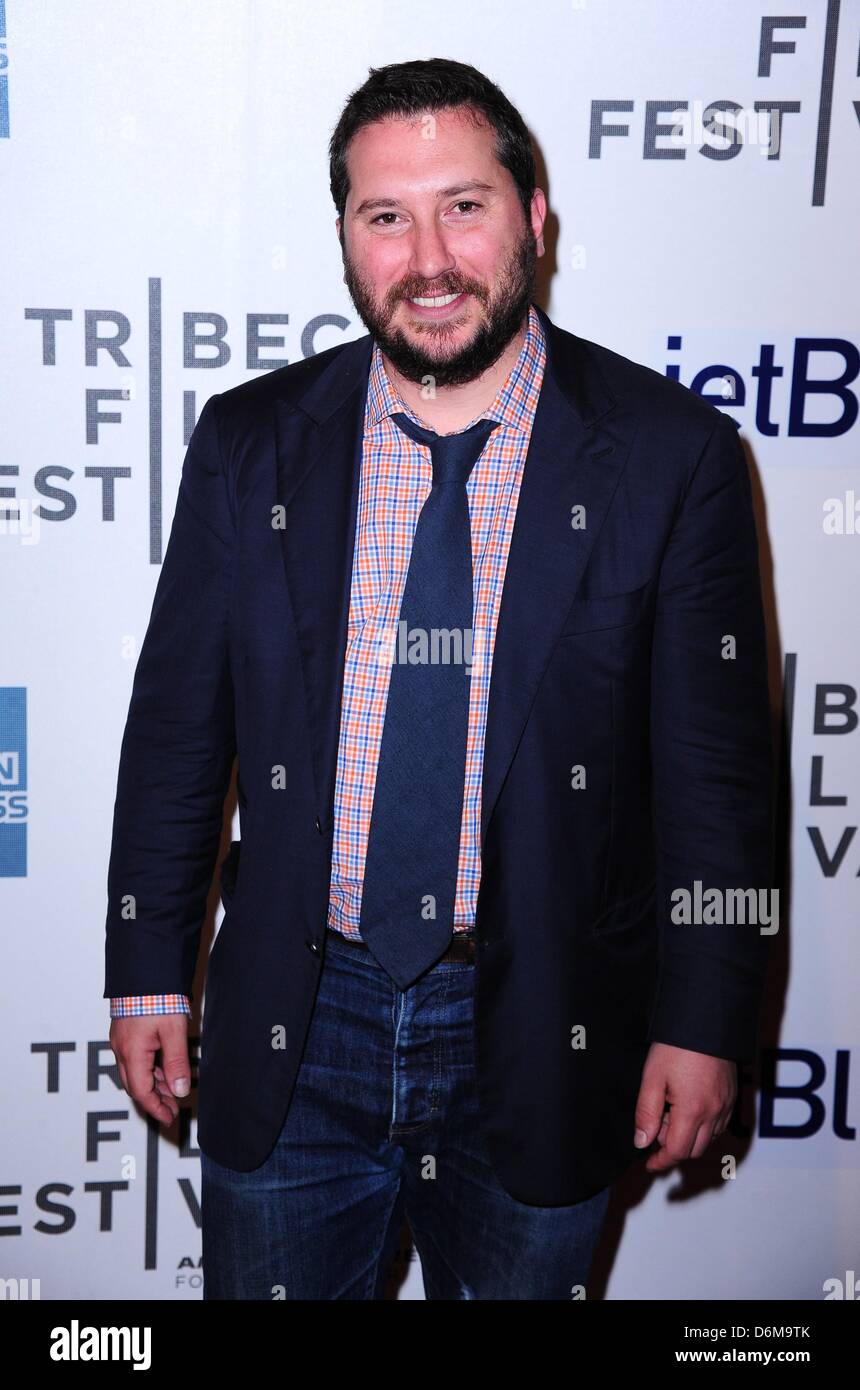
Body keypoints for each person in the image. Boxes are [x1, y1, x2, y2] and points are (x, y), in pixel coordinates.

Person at [105, 57, 774, 1300]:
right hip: (297, 1019)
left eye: (462, 206)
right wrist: (148, 967)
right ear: (346, 240)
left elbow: (716, 784)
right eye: (385, 216)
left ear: (532, 217)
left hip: (544, 1018)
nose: (428, 258)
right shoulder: (251, 445)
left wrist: (703, 1017)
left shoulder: (670, 458)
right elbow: (176, 733)